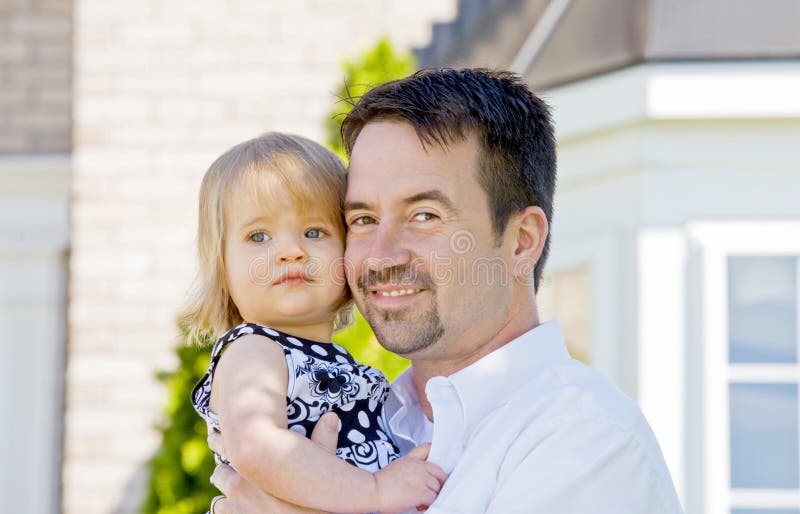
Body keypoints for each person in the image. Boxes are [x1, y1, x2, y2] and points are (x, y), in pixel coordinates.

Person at [208, 68, 684, 513]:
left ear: (521, 241)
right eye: (363, 219)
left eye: (424, 216)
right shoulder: (372, 415)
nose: (382, 255)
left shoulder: (585, 440)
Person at [182, 132, 447, 514]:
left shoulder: (337, 362)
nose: (291, 251)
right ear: (222, 267)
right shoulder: (253, 349)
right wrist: (372, 490)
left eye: (314, 232)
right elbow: (256, 445)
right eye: (258, 236)